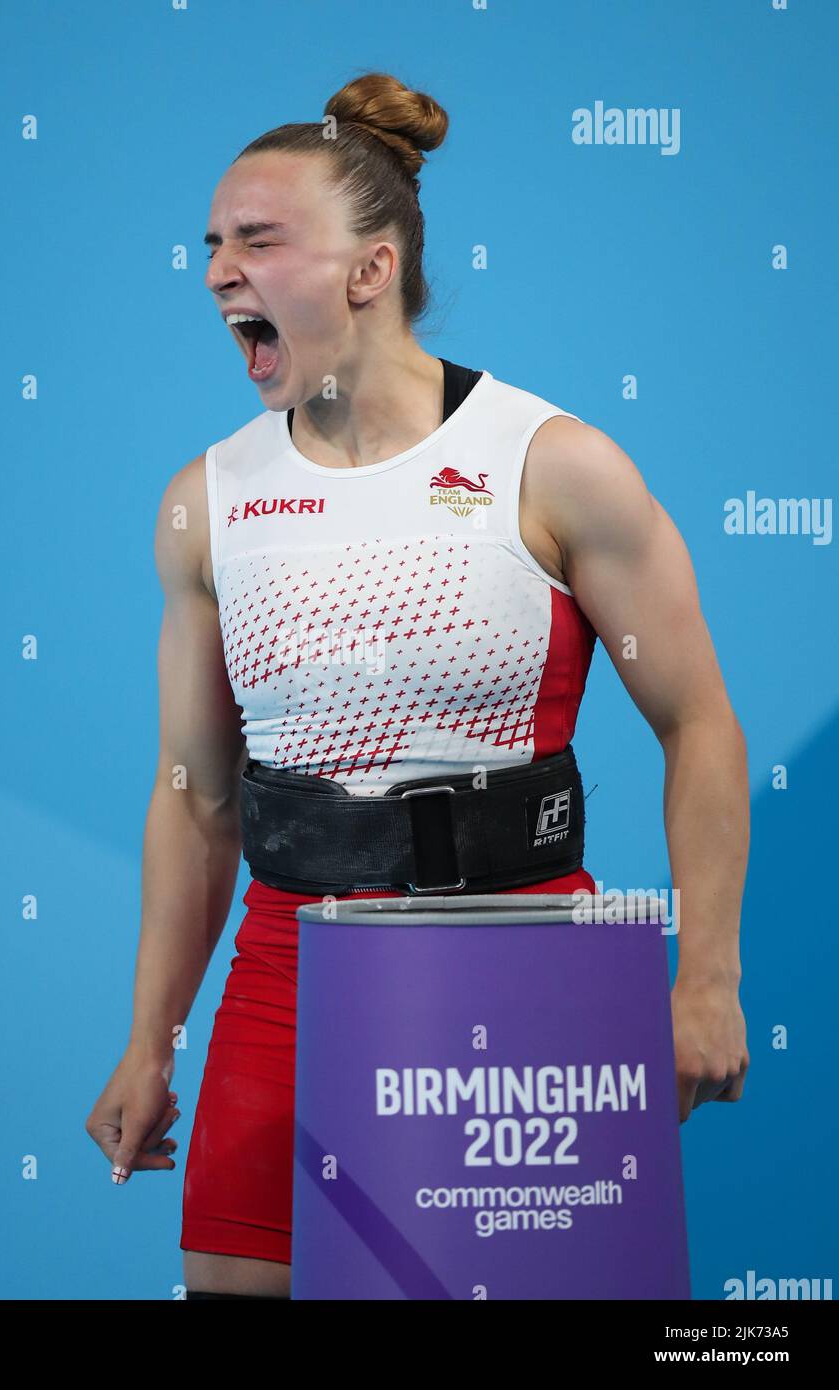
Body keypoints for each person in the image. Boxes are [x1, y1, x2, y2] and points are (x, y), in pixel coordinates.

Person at [85, 72, 750, 1301]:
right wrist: (148, 1042)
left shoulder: (554, 467)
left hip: (528, 953)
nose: (218, 269)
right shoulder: (206, 505)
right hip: (293, 962)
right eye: (210, 246)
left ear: (369, 270)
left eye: (258, 239)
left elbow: (696, 723)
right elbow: (193, 800)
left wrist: (703, 974)